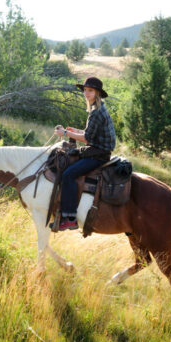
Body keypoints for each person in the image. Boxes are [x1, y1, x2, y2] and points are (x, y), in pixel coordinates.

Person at [53, 76, 116, 231]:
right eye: (85, 90)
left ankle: (70, 217)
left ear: (97, 93)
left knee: (68, 175)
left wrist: (66, 132)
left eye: (90, 91)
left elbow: (87, 139)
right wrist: (76, 131)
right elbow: (90, 134)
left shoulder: (96, 112)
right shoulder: (99, 108)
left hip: (99, 154)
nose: (86, 93)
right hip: (98, 149)